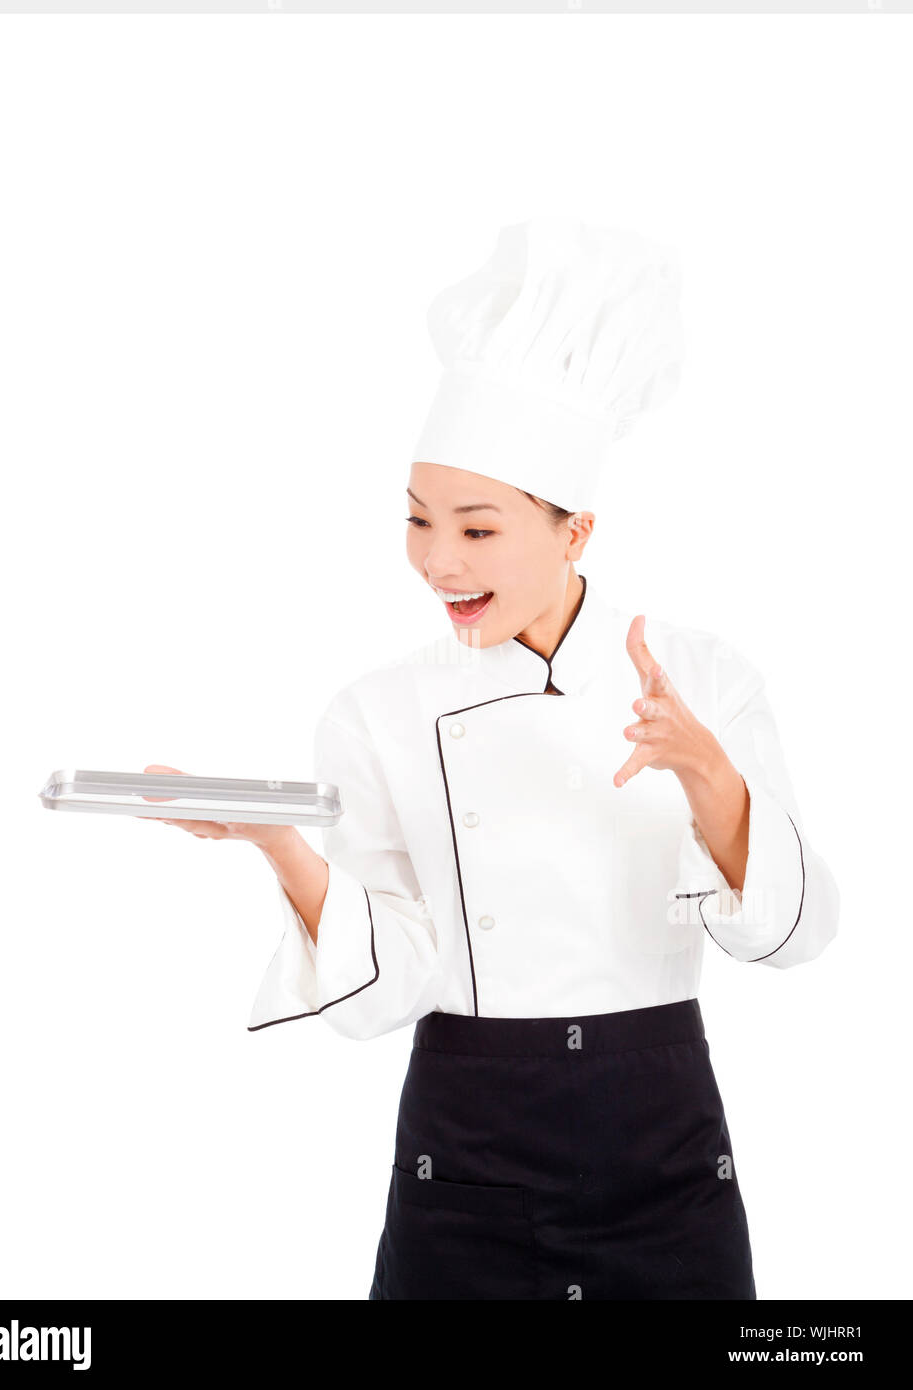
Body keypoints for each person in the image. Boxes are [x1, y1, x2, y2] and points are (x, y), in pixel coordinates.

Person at [140, 219, 839, 1300]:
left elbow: (796, 933)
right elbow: (389, 987)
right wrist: (278, 840)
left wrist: (704, 770)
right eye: (418, 522)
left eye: (475, 530)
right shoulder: (375, 712)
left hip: (660, 1147)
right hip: (464, 1149)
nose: (434, 561)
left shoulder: (706, 676)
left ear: (576, 532)